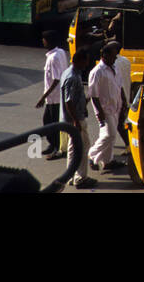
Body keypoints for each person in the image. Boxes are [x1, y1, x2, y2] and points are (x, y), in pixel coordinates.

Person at [87, 42, 126, 172]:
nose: (115, 59)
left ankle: (108, 161)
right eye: (113, 56)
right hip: (105, 109)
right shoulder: (96, 72)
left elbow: (120, 86)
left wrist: (124, 102)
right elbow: (93, 94)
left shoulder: (115, 67)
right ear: (105, 55)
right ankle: (92, 154)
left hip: (116, 106)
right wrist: (99, 112)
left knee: (111, 136)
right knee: (109, 134)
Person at [60, 49, 95, 189]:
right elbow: (68, 101)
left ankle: (71, 175)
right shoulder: (72, 77)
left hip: (76, 116)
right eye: (85, 61)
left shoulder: (74, 74)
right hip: (76, 119)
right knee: (82, 146)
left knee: (74, 148)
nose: (87, 64)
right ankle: (80, 178)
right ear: (79, 60)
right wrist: (75, 120)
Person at [35, 30, 69, 159]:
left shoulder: (53, 58)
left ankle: (56, 147)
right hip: (56, 97)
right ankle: (53, 144)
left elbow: (56, 79)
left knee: (50, 123)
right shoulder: (60, 52)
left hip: (54, 98)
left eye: (44, 40)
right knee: (50, 122)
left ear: (48, 41)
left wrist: (43, 97)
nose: (42, 42)